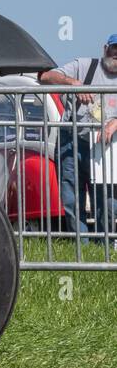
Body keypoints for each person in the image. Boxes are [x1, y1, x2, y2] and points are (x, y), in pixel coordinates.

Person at [40, 35, 117, 233]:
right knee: (71, 197)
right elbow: (45, 77)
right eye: (114, 48)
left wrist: (113, 124)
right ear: (105, 48)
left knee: (107, 201)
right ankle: (80, 248)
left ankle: (104, 247)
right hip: (71, 141)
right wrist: (73, 83)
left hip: (105, 146)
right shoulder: (84, 65)